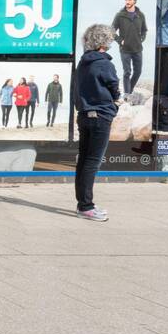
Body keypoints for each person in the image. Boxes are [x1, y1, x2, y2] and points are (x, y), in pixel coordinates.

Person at [74, 24, 121, 222]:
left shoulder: (83, 63)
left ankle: (83, 204)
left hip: (84, 115)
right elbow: (114, 89)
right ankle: (86, 206)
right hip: (100, 117)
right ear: (104, 42)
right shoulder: (104, 64)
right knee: (92, 162)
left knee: (84, 161)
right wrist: (115, 106)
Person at [112, 0, 147, 95]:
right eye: (126, 0)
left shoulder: (140, 15)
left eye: (129, 0)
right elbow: (111, 30)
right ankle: (127, 95)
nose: (127, 2)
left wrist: (141, 39)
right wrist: (120, 41)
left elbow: (144, 30)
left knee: (138, 71)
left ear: (134, 1)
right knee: (127, 72)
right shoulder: (120, 15)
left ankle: (129, 90)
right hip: (125, 49)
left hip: (138, 49)